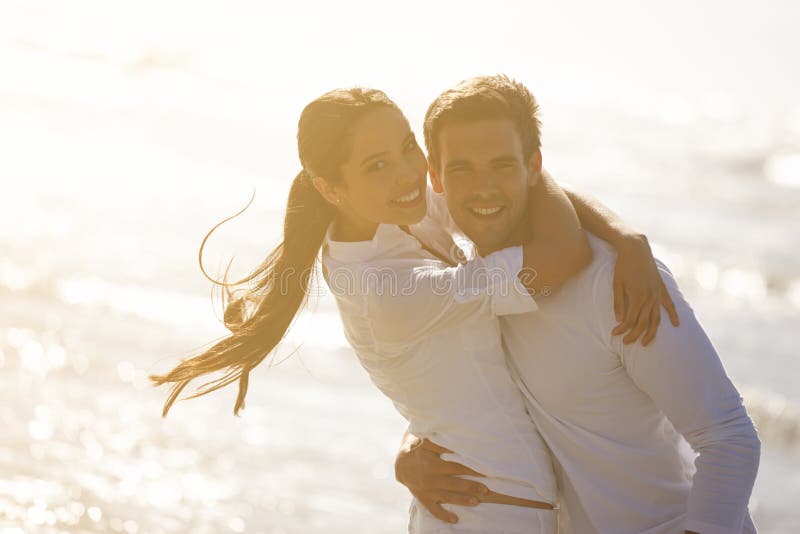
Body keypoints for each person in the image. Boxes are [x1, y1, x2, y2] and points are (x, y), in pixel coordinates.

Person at [150, 86, 674, 532]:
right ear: (330, 187)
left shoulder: (399, 213)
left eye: (407, 149)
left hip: (496, 505)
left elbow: (514, 189)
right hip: (489, 512)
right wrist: (611, 233)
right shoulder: (386, 289)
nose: (407, 174)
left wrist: (626, 234)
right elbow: (560, 253)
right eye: (378, 165)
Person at [395, 74, 761, 533]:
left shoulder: (616, 283)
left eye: (503, 166)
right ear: (436, 177)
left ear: (534, 167)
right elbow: (478, 401)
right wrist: (410, 449)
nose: (483, 188)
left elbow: (729, 437)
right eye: (462, 168)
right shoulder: (472, 289)